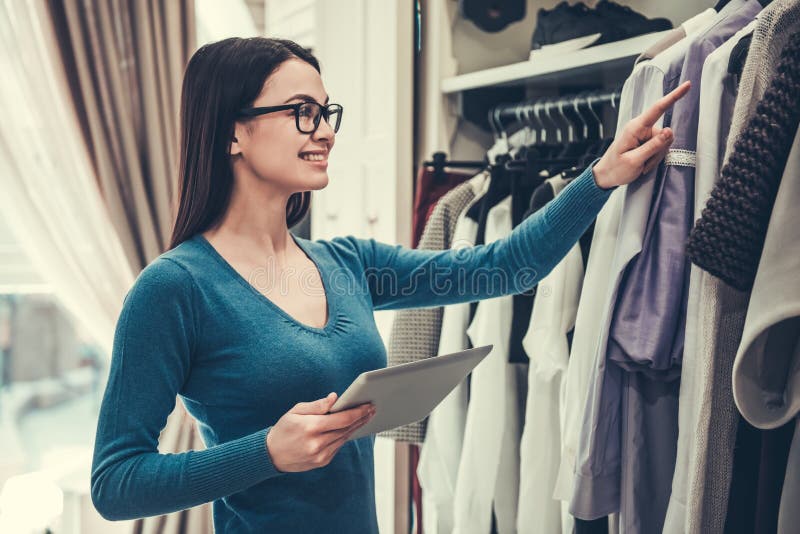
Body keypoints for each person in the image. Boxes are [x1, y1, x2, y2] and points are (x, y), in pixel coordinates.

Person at [89, 37, 689, 532]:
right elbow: (116, 484)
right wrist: (267, 452)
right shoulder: (173, 289)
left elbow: (505, 267)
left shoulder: (347, 262)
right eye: (302, 112)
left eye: (327, 113)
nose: (324, 130)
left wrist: (602, 176)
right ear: (233, 133)